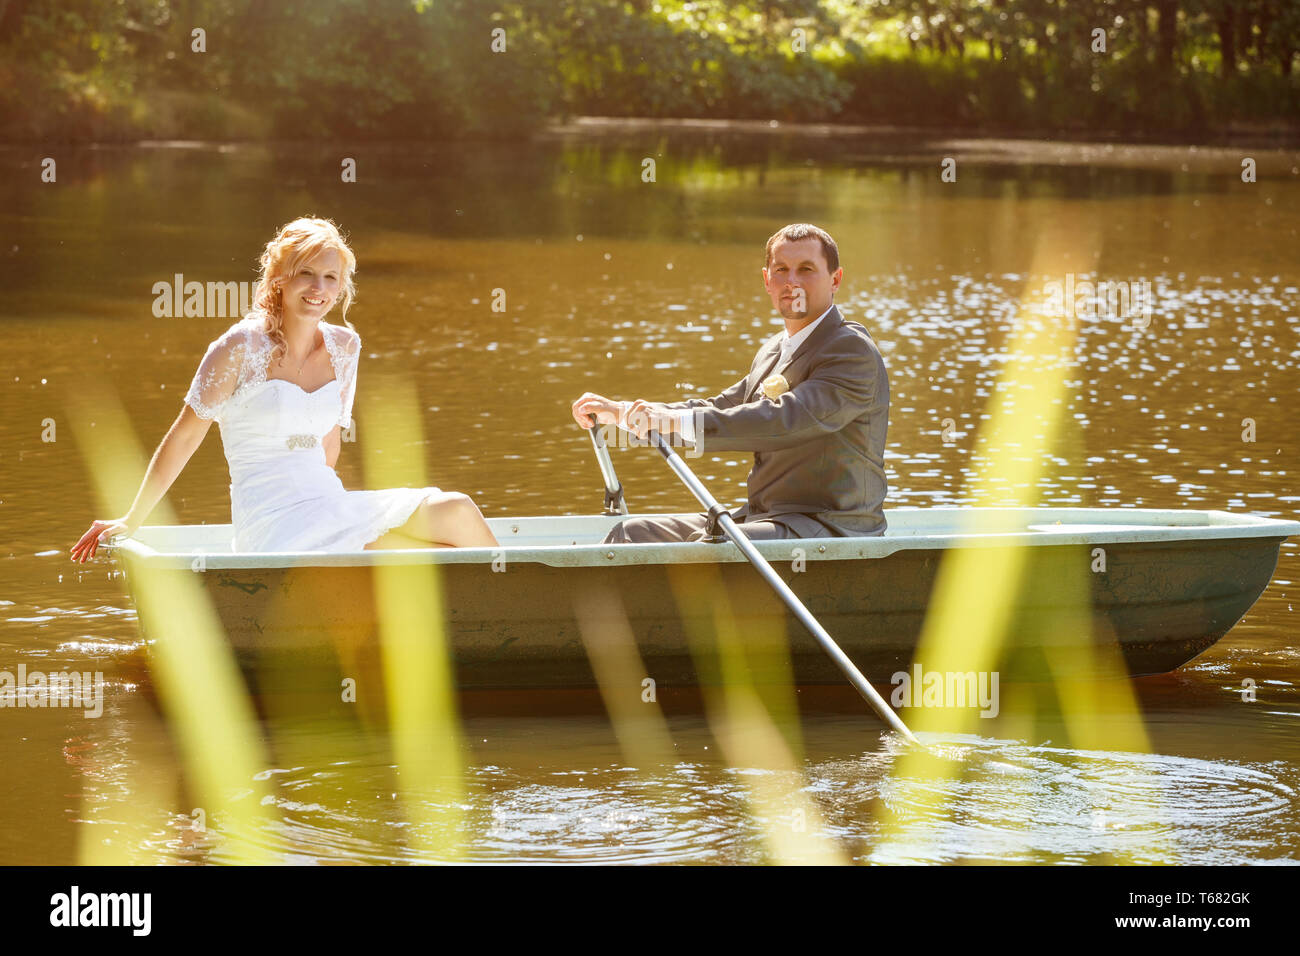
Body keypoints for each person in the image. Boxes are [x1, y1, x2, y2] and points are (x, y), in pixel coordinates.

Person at [71, 217, 498, 562]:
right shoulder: (237, 348)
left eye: (331, 277)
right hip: (272, 522)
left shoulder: (345, 347)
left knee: (457, 509)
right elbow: (185, 435)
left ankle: (511, 606)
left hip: (327, 504)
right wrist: (133, 518)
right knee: (413, 556)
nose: (319, 289)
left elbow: (330, 442)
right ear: (278, 279)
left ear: (342, 287)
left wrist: (341, 515)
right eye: (306, 274)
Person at [571, 223, 888, 544]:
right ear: (767, 280)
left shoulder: (851, 350)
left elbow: (784, 420)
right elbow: (724, 408)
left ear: (835, 280)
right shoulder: (773, 350)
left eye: (806, 269)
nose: (792, 281)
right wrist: (625, 413)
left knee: (707, 548)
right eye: (781, 270)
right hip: (764, 516)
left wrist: (672, 421)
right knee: (632, 532)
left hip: (831, 525)